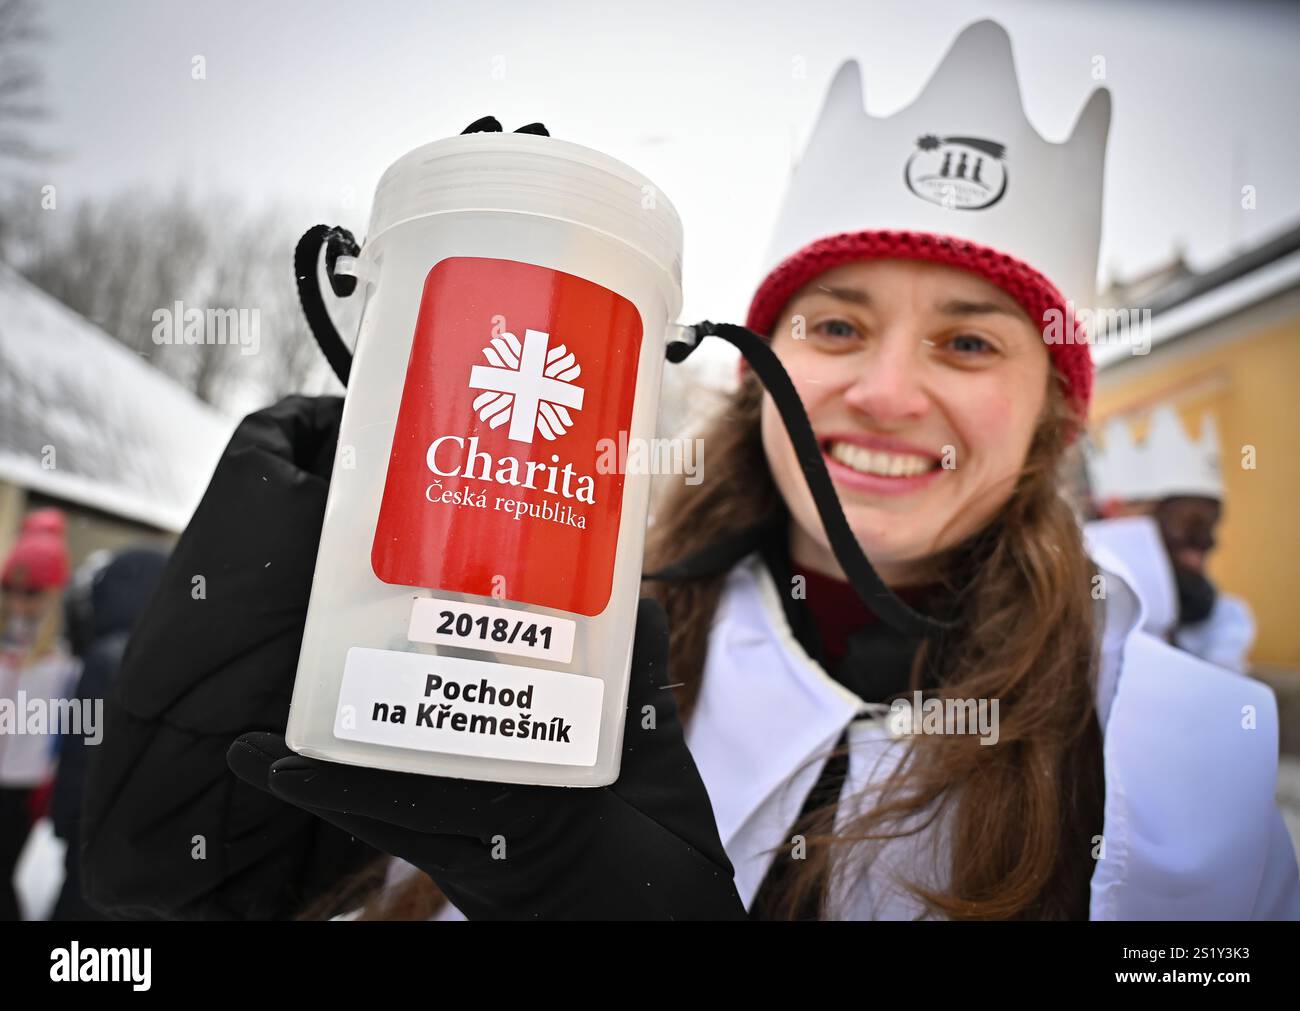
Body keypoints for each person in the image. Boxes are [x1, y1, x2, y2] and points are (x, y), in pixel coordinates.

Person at [82, 20, 1300, 920]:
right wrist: (180, 872)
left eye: (969, 341)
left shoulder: (1178, 771)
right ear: (751, 364)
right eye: (833, 326)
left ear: (1050, 418)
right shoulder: (536, 643)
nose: (883, 389)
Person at [1085, 407, 1255, 672]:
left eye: (1211, 524)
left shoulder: (1221, 625)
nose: (1206, 543)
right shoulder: (1071, 620)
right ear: (1116, 515)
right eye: (1186, 523)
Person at [51, 545, 168, 921]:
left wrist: (65, 817)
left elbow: (83, 749)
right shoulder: (165, 659)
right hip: (140, 835)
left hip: (91, 826)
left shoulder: (104, 657)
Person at [1, 508, 79, 920]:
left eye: (31, 591)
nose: (18, 601)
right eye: (10, 588)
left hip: (24, 788)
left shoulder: (67, 663)